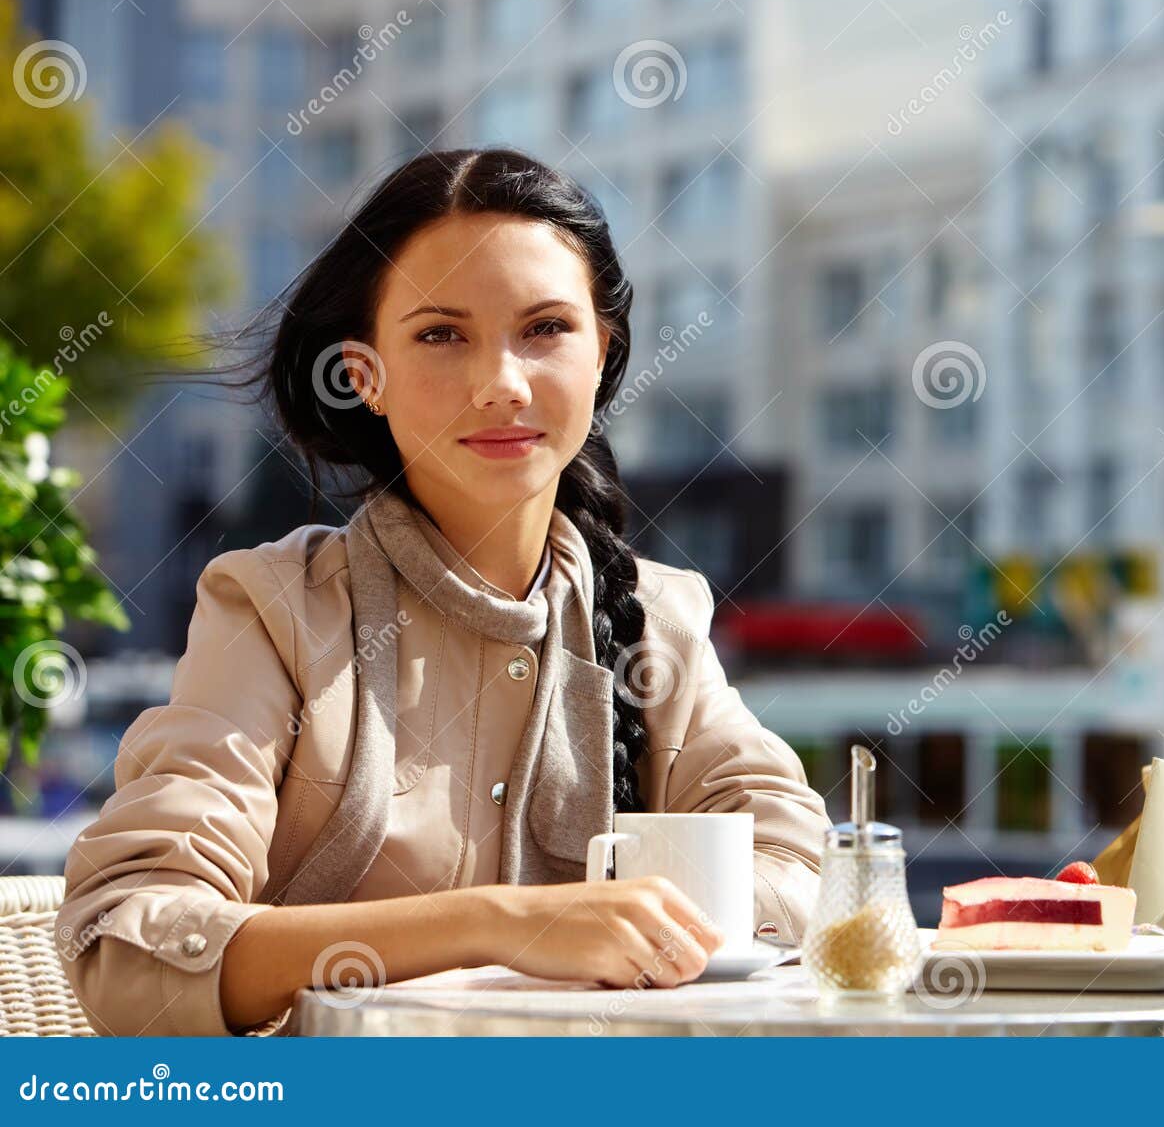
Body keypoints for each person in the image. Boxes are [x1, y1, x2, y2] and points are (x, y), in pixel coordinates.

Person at [55, 149, 830, 1036]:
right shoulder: (270, 610)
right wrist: (501, 924)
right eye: (440, 334)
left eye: (545, 329)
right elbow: (130, 956)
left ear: (603, 351)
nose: (501, 383)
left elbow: (792, 856)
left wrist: (666, 929)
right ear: (363, 373)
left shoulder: (659, 620)